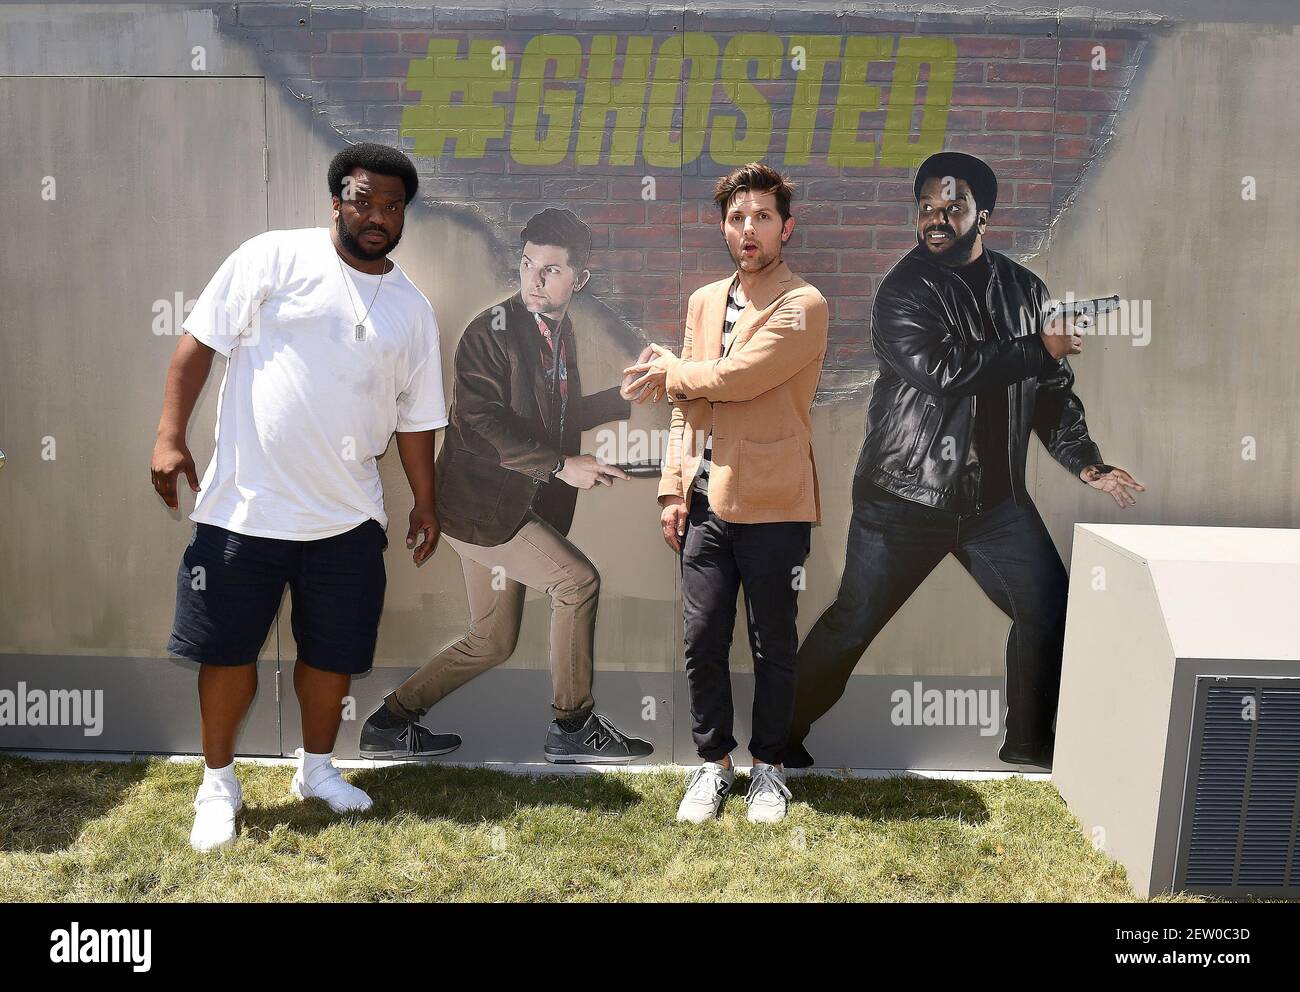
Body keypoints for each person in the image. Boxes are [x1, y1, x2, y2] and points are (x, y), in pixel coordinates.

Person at [785, 151, 1145, 771]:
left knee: (1049, 609)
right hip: (905, 497)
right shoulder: (901, 291)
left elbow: (1050, 393)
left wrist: (1086, 460)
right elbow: (944, 373)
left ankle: (1030, 750)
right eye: (927, 206)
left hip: (994, 504)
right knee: (852, 623)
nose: (937, 218)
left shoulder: (1024, 290)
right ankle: (776, 739)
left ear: (985, 216)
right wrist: (1037, 348)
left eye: (953, 206)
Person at [151, 143, 449, 851]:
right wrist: (169, 435)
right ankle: (218, 785)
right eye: (363, 200)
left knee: (331, 657)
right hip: (242, 512)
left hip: (347, 520)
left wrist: (425, 501)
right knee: (227, 654)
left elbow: (416, 418)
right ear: (336, 201)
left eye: (391, 207)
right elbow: (197, 343)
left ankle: (316, 770)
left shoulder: (411, 308)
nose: (376, 216)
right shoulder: (271, 258)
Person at [360, 208, 655, 764]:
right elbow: (485, 423)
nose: (534, 281)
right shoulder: (488, 331)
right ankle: (572, 727)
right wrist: (562, 465)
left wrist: (620, 400)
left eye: (550, 270)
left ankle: (388, 723)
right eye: (527, 266)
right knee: (577, 583)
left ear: (579, 280)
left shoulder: (556, 331)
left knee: (492, 639)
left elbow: (547, 419)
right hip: (482, 510)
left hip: (509, 507)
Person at [626, 163, 828, 823]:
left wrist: (673, 370)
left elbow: (739, 377)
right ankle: (712, 766)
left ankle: (769, 770)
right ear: (724, 226)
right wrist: (672, 488)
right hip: (706, 504)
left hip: (775, 502)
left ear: (785, 227)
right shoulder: (704, 302)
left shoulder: (804, 305)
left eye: (763, 217)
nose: (749, 228)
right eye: (738, 217)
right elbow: (686, 404)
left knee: (773, 641)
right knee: (702, 637)